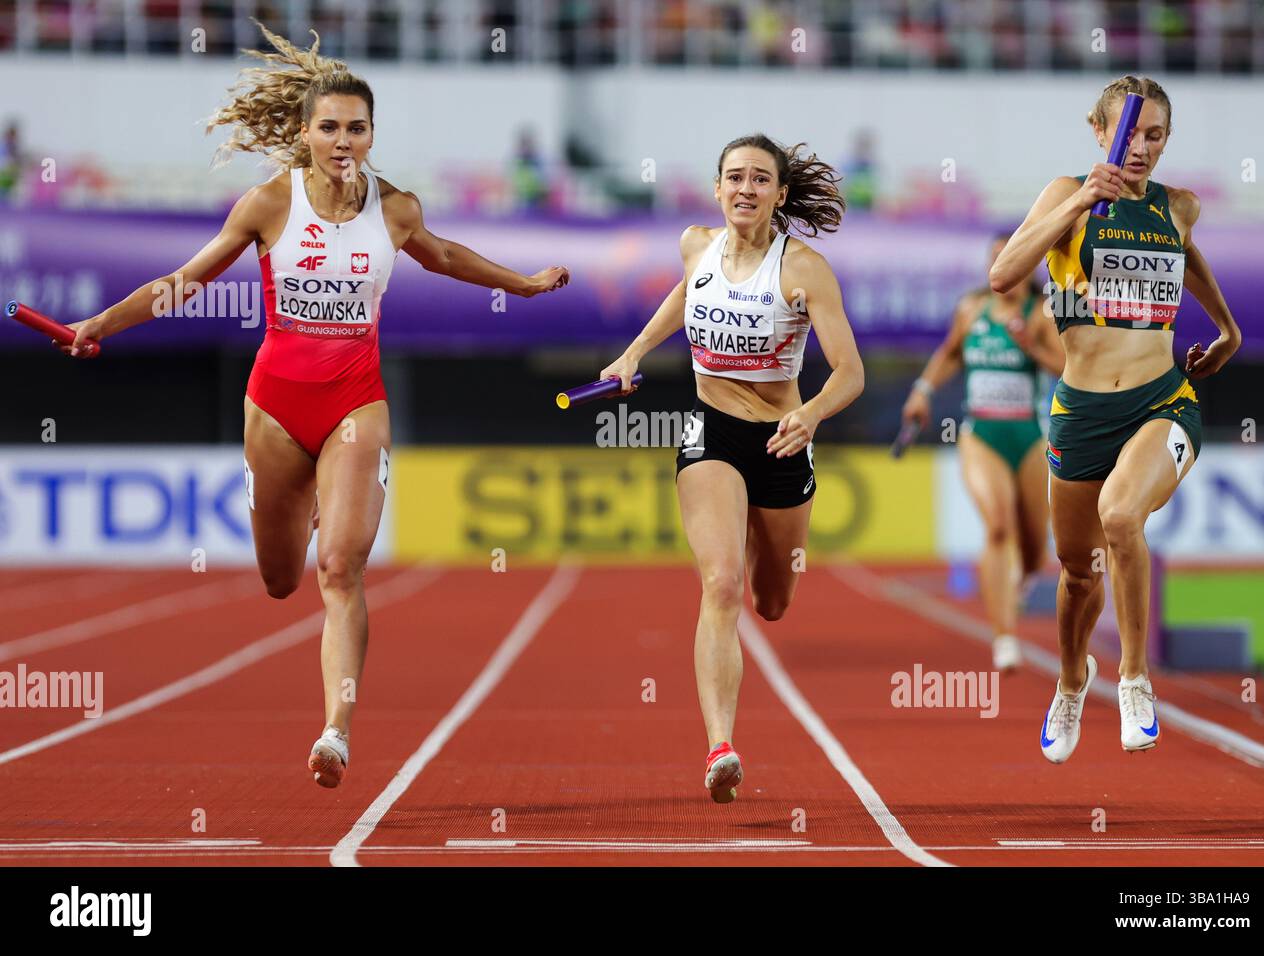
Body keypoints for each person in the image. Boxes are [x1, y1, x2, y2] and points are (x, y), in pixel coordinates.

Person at [59, 23, 569, 787]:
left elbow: (446, 255)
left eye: (356, 128)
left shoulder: (394, 209)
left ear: (372, 134)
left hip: (355, 400)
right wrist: (103, 322)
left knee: (340, 566)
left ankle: (335, 729)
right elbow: (186, 280)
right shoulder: (269, 203)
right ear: (304, 133)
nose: (343, 140)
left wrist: (522, 283)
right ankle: (300, 509)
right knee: (279, 578)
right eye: (329, 127)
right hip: (273, 408)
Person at [601, 133, 864, 802]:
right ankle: (720, 745)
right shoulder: (697, 245)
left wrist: (813, 415)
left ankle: (756, 529)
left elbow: (850, 373)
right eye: (734, 177)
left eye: (759, 179)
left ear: (779, 194)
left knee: (771, 603)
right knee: (719, 584)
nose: (745, 189)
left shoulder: (803, 268)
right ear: (717, 189)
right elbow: (684, 296)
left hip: (781, 441)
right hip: (709, 434)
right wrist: (632, 353)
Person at [989, 75, 1240, 763]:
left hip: (1161, 399)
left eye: (1156, 135)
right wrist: (1080, 199)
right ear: (1100, 130)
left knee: (1122, 517)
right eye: (1131, 132)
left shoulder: (1178, 206)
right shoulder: (1063, 194)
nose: (1142, 147)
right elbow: (1004, 274)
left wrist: (1227, 328)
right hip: (1081, 410)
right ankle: (1073, 681)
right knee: (1077, 573)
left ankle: (1134, 676)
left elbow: (1188, 260)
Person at [902, 234, 1064, 672]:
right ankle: (1004, 637)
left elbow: (1069, 369)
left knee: (1033, 550)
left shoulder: (1042, 313)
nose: (1005, 269)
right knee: (996, 527)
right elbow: (950, 353)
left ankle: (1024, 576)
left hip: (1029, 436)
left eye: (1015, 259)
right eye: (997, 260)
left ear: (1030, 266)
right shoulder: (971, 309)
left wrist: (1031, 345)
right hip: (981, 434)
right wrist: (923, 390)